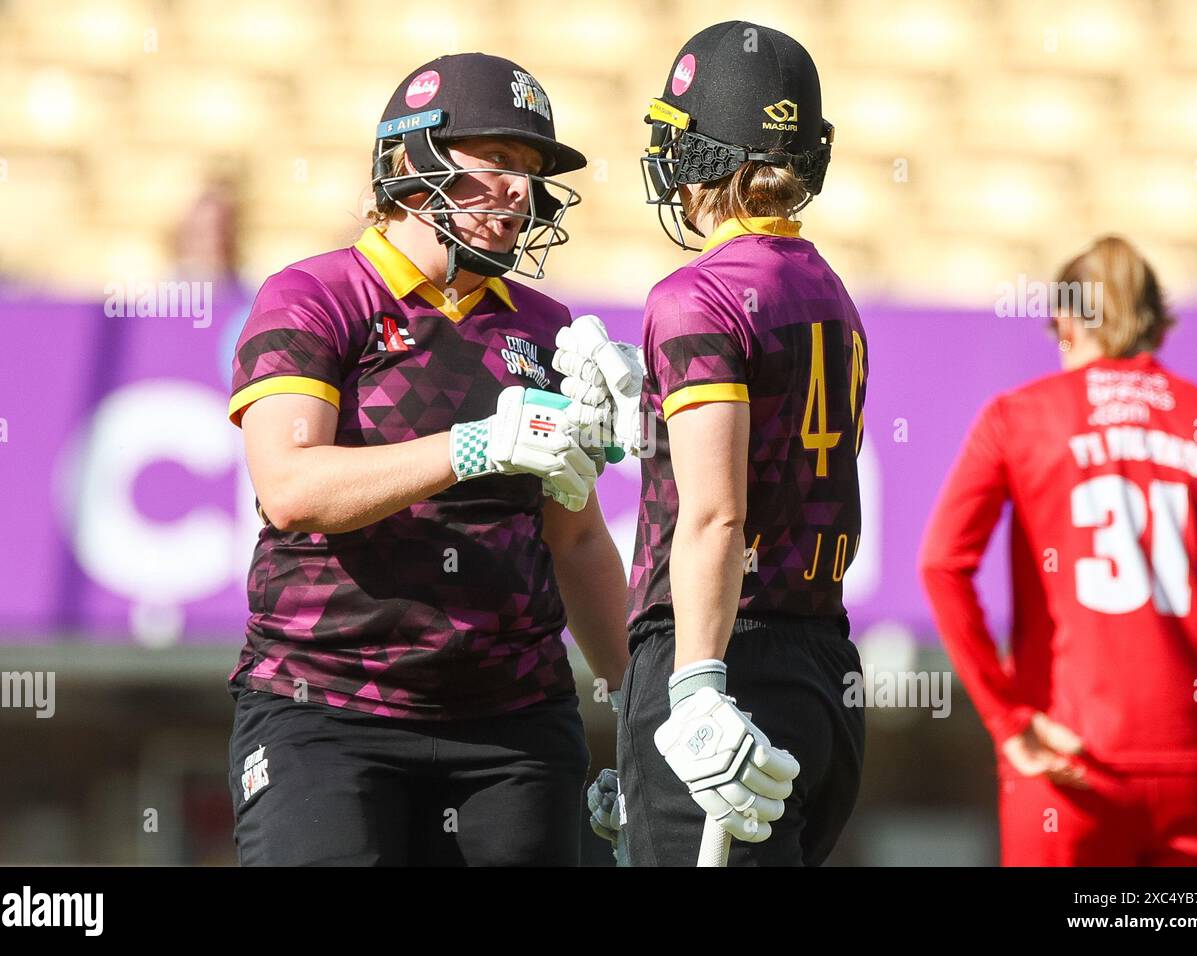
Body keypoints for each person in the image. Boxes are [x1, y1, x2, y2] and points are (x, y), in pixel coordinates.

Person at [224, 52, 629, 866]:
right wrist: (473, 446)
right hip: (325, 708)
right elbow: (291, 489)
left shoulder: (547, 329)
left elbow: (577, 540)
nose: (521, 190)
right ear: (414, 161)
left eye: (532, 170)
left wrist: (643, 706)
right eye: (500, 161)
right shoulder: (315, 295)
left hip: (512, 724)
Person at [559, 21, 866, 866]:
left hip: (724, 653)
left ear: (707, 158)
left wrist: (692, 690)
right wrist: (647, 409)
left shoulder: (698, 293)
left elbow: (717, 516)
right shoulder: (829, 288)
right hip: (823, 667)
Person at [919, 235, 1197, 865]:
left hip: (1065, 754)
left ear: (1069, 321)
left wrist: (1007, 717)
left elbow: (941, 564)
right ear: (1156, 321)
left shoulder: (1019, 417)